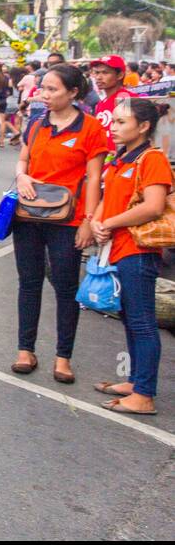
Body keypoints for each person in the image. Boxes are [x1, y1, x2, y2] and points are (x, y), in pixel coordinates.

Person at [9, 63, 107, 382]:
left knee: (66, 287)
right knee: (29, 282)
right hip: (28, 216)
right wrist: (22, 175)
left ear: (73, 92)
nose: (44, 95)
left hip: (68, 220)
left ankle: (63, 357)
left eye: (52, 89)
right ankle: (26, 349)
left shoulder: (91, 128)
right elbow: (23, 158)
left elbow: (93, 179)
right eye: (43, 88)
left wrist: (89, 221)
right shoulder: (36, 124)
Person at [91, 98, 170, 415]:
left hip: (139, 251)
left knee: (142, 323)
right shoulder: (122, 158)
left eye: (122, 122)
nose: (114, 126)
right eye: (115, 121)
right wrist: (97, 221)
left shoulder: (152, 159)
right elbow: (109, 197)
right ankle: (136, 383)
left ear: (144, 126)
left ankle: (145, 394)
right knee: (130, 318)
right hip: (118, 248)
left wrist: (108, 222)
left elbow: (152, 206)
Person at [90, 55, 133, 151]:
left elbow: (126, 131)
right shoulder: (101, 102)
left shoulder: (123, 98)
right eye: (96, 73)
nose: (98, 77)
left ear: (120, 75)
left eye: (105, 73)